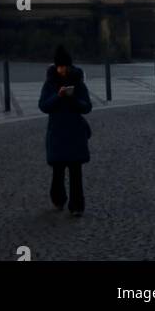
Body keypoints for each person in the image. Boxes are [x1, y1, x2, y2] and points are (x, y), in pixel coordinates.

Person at [38, 44, 92, 216]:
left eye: (65, 66)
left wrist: (73, 100)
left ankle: (77, 206)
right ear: (56, 66)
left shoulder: (78, 82)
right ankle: (58, 199)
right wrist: (58, 96)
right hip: (58, 132)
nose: (63, 70)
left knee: (76, 172)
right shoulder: (50, 83)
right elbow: (43, 106)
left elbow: (87, 106)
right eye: (60, 66)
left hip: (75, 132)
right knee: (58, 170)